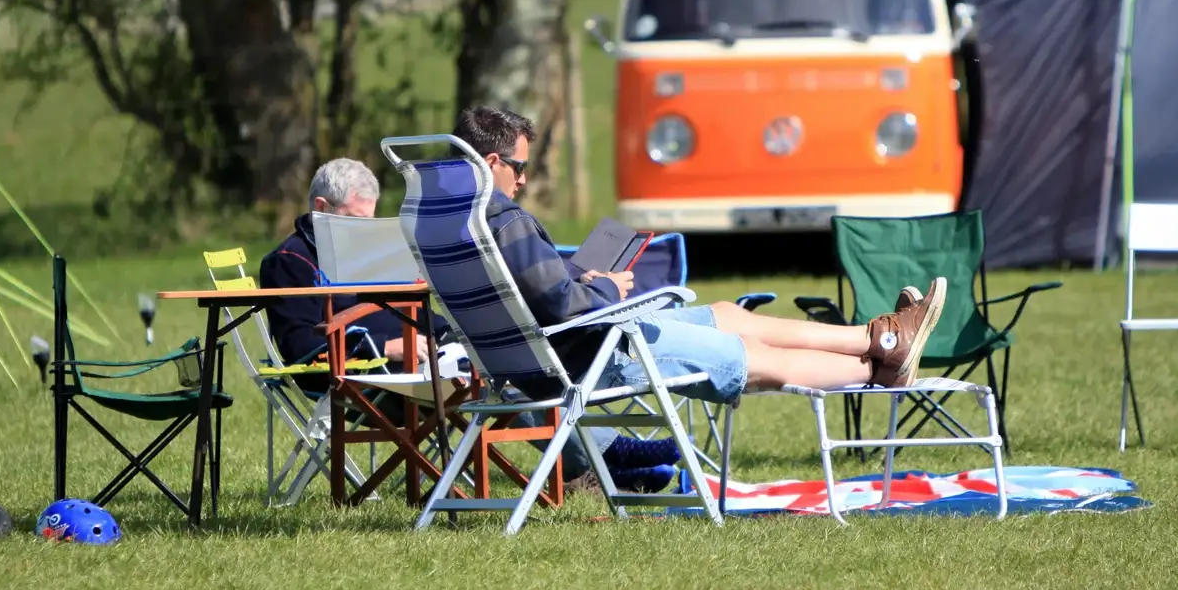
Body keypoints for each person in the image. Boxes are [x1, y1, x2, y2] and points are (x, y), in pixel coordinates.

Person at [452, 106, 946, 407]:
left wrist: (581, 273)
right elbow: (564, 307)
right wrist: (606, 288)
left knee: (730, 315)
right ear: (493, 162)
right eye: (518, 167)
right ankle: (881, 367)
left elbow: (534, 293)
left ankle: (877, 336)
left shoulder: (452, 222)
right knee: (754, 359)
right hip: (593, 354)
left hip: (545, 356)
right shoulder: (506, 222)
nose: (523, 179)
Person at [259, 158, 446, 375]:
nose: (364, 230)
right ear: (321, 207)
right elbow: (300, 346)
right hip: (350, 370)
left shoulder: (369, 250)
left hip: (411, 359)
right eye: (355, 219)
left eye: (369, 220)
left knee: (470, 370)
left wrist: (452, 333)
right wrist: (382, 347)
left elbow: (410, 311)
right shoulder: (288, 261)